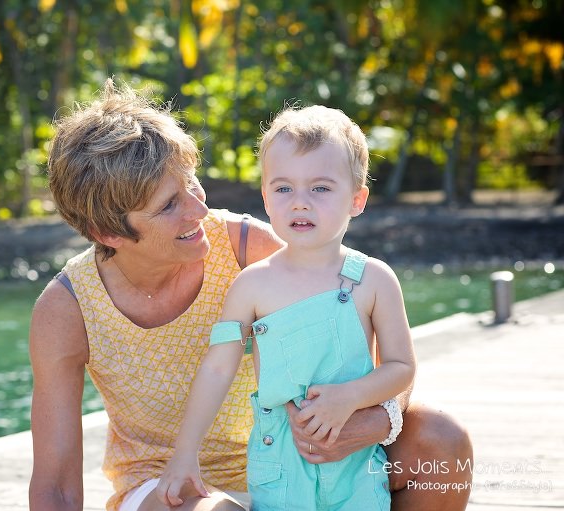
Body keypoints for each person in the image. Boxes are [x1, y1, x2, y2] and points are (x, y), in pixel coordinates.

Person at [29, 78, 473, 511]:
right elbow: (57, 490)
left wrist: (376, 421)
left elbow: (379, 363)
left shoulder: (248, 248)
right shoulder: (68, 308)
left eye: (192, 184)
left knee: (443, 443)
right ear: (108, 232)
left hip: (296, 461)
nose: (200, 210)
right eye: (169, 204)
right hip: (168, 486)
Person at [156, 105, 415, 510]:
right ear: (265, 196)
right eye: (283, 188)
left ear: (357, 199)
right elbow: (218, 367)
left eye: (321, 188)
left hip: (355, 460)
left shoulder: (374, 279)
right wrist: (185, 452)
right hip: (278, 457)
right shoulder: (251, 285)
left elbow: (401, 368)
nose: (299, 203)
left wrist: (349, 397)